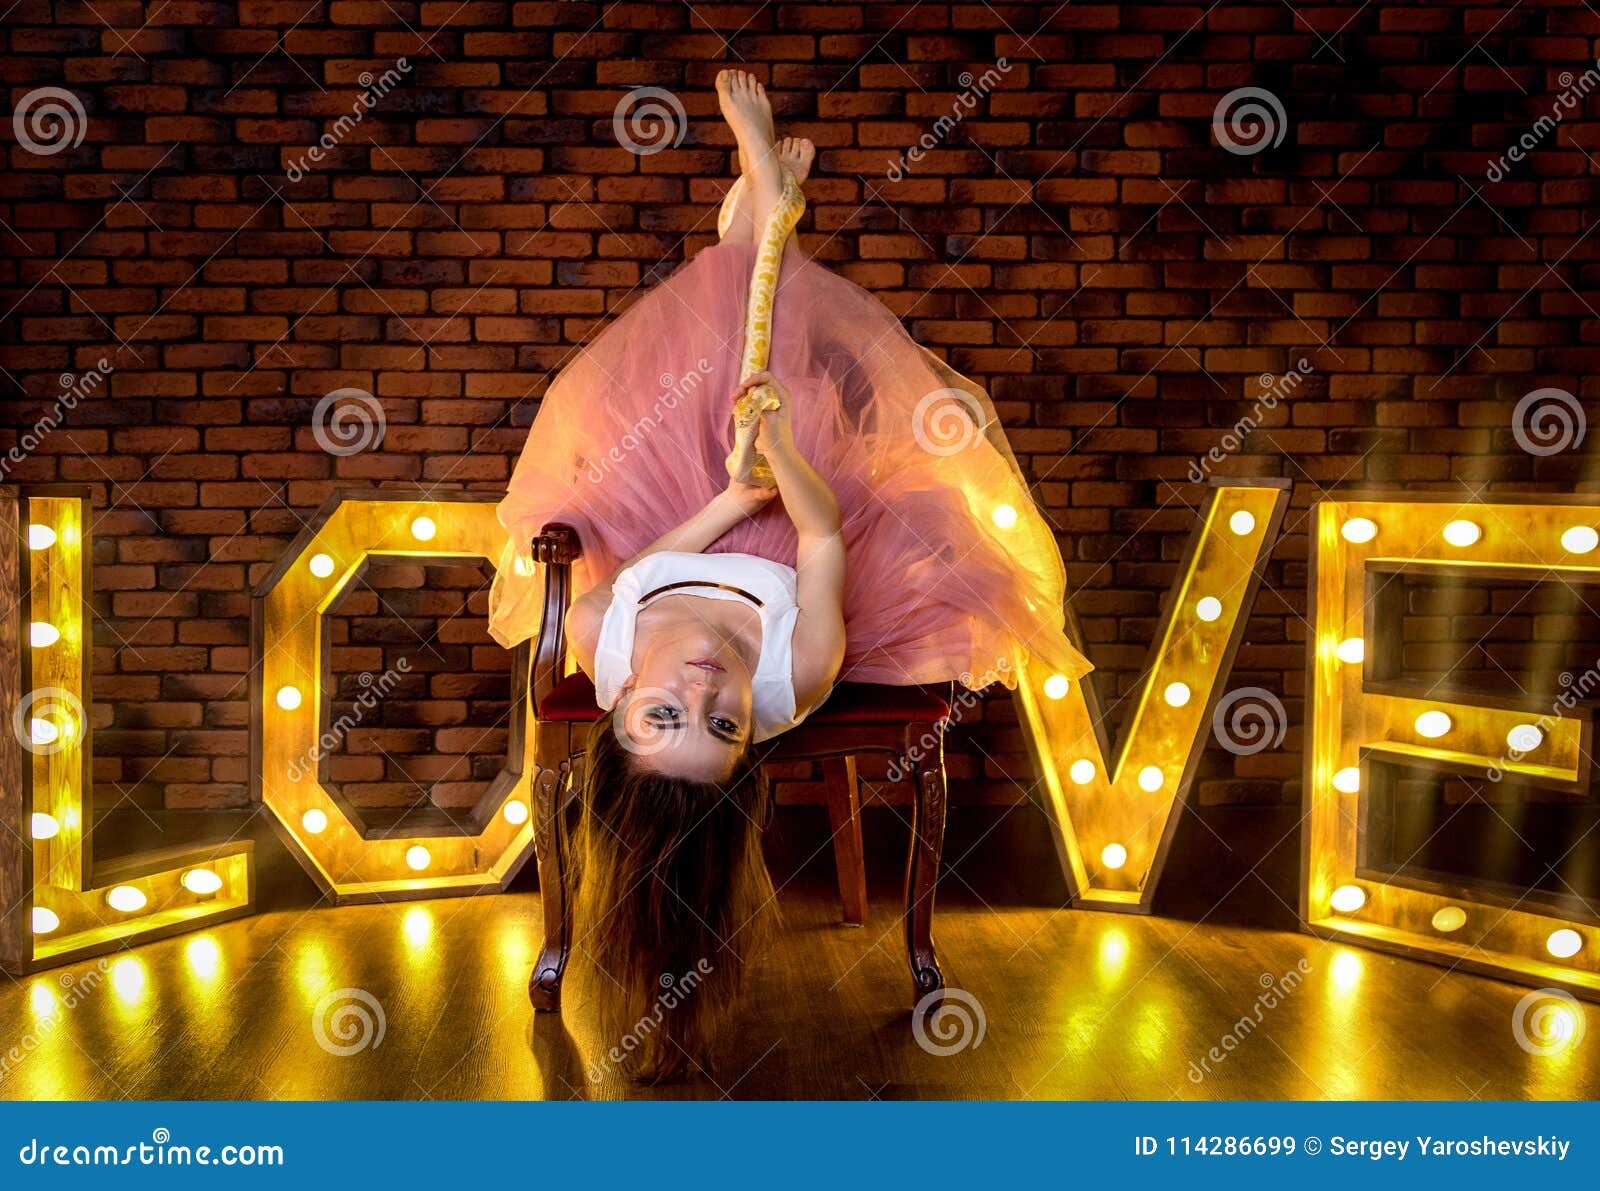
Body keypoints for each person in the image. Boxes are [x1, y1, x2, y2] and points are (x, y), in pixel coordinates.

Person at [489, 70, 1092, 1079]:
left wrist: (729, 493)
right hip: (810, 517)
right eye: (721, 728)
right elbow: (823, 546)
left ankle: (759, 201)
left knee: (704, 355)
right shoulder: (797, 673)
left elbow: (652, 565)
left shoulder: (603, 637)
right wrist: (780, 463)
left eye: (661, 720)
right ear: (749, 734)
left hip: (689, 501)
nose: (698, 693)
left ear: (618, 708)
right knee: (765, 370)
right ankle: (765, 199)